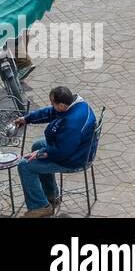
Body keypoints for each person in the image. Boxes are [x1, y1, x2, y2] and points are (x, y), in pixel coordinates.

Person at [12, 86, 97, 217]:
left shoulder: (72, 122)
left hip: (74, 158)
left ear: (62, 105)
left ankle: (39, 206)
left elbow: (62, 152)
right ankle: (51, 195)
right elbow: (51, 112)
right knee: (37, 144)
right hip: (76, 148)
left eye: (53, 103)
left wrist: (41, 153)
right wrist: (27, 119)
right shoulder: (77, 104)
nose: (51, 106)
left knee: (25, 166)